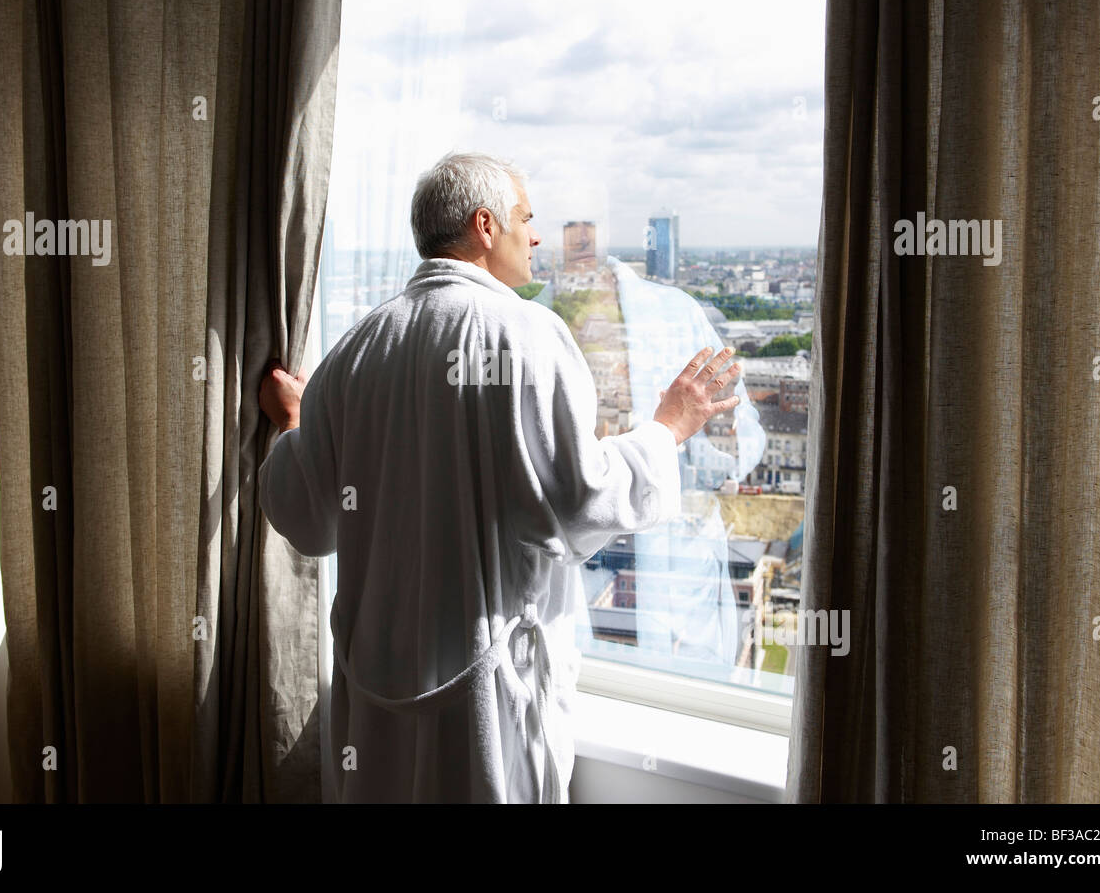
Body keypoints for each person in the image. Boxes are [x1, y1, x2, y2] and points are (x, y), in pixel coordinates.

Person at [256, 152, 742, 803]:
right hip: (483, 703)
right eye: (527, 218)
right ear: (485, 225)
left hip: (372, 702)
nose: (536, 236)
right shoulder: (526, 335)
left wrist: (294, 424)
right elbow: (577, 504)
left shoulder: (357, 349)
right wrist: (667, 429)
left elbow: (307, 520)